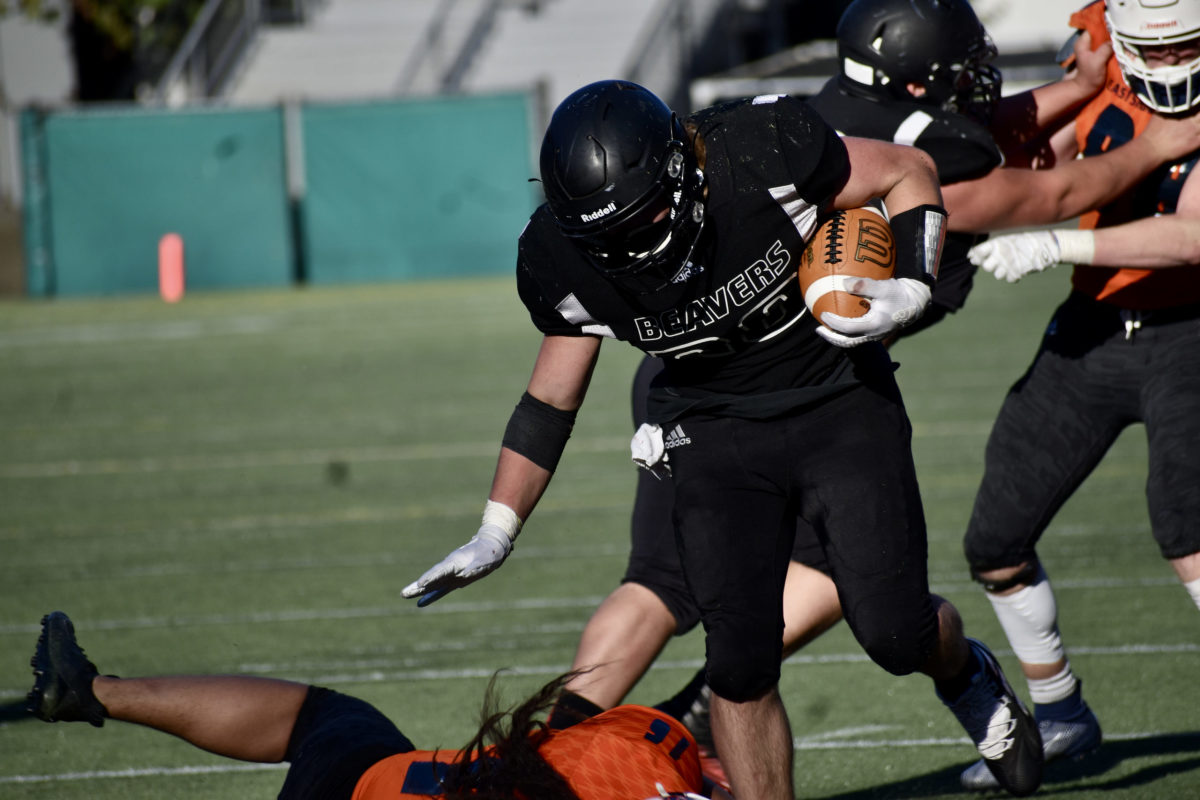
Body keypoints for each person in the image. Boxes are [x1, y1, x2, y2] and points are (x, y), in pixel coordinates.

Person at [550, 0, 1200, 776]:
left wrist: (1078, 92)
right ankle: (688, 709)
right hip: (778, 390)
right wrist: (1156, 143)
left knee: (664, 582)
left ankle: (545, 754)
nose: (981, 86)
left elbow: (971, 127)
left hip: (683, 377)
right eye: (961, 72)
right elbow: (1052, 194)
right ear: (920, 84)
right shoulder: (911, 162)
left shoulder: (835, 119)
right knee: (832, 577)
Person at [400, 77, 1045, 798]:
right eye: (606, 235)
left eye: (643, 219)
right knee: (738, 666)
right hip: (711, 427)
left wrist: (915, 281)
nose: (631, 245)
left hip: (837, 404)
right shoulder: (561, 256)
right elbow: (551, 397)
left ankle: (966, 674)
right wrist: (498, 527)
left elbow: (908, 170)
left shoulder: (760, 151)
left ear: (680, 173)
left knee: (896, 635)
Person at [956, 0, 1200, 791]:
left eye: (1188, 48)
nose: (1173, 65)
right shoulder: (1099, 58)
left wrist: (1059, 240)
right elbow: (1046, 160)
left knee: (1189, 526)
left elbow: (1192, 235)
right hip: (1094, 324)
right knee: (996, 537)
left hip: (1191, 327)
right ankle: (1060, 711)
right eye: (1158, 52)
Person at [25, 611, 723, 800]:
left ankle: (97, 691)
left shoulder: (643, 745)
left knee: (326, 718)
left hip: (371, 781)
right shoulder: (659, 756)